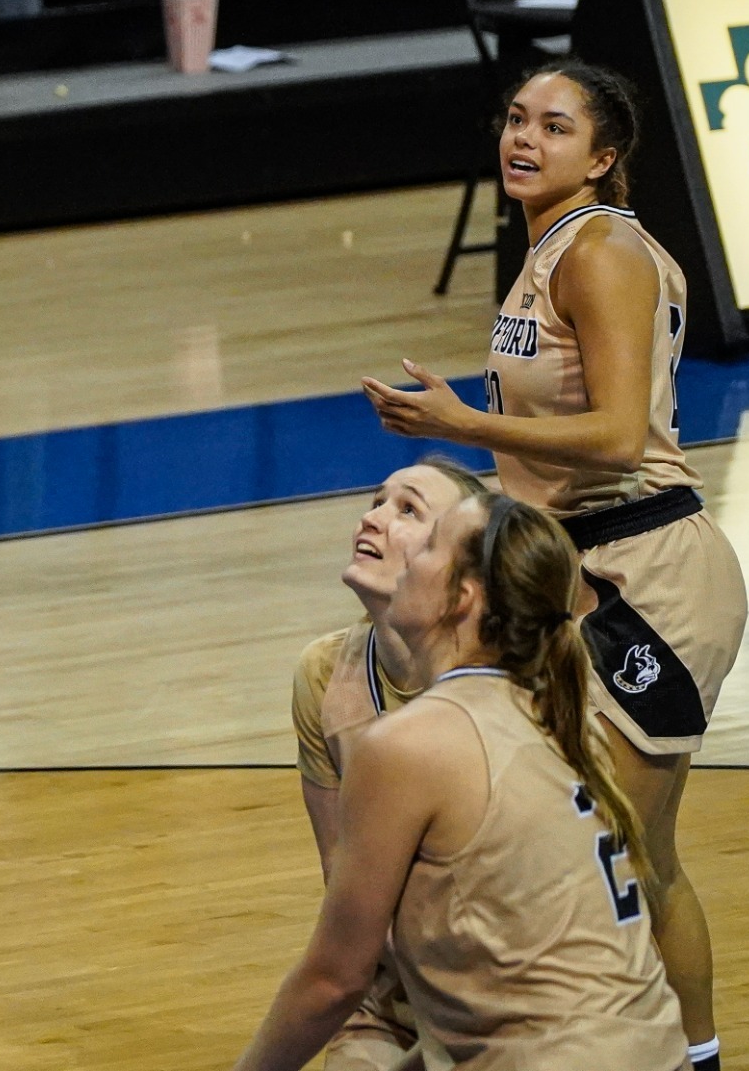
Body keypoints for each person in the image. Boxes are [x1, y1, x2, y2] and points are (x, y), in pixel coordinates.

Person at [362, 60, 746, 1071]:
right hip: (567, 570)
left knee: (625, 851)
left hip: (648, 576)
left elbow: (620, 437)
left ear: (603, 155)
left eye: (555, 126)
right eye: (515, 118)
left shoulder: (601, 249)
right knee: (545, 836)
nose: (523, 138)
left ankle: (682, 1059)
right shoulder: (548, 248)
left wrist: (457, 420)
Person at [234, 492, 688, 1071]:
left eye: (426, 546)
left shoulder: (409, 745)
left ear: (463, 597)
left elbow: (333, 981)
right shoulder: (564, 722)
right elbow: (527, 986)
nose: (408, 554)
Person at [292, 456, 487, 1070]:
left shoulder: (509, 691)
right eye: (377, 501)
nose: (371, 518)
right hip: (391, 994)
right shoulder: (324, 673)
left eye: (407, 511)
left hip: (503, 995)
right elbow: (340, 874)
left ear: (461, 575)